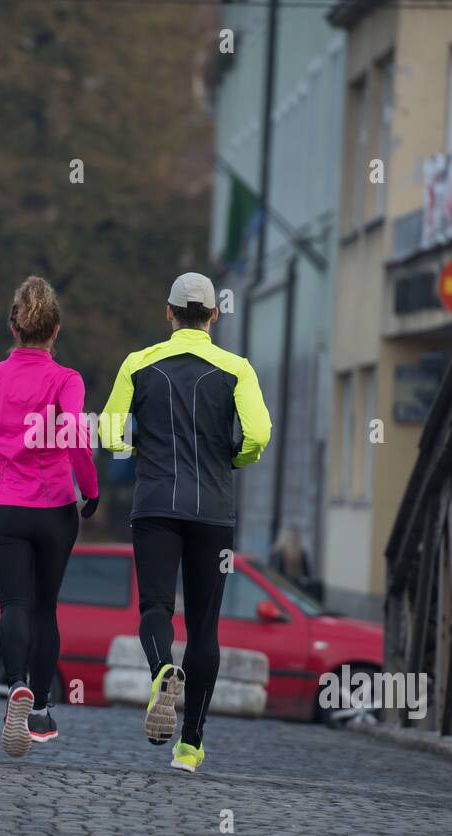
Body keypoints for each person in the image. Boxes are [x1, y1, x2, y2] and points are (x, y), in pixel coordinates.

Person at [98, 272, 270, 773]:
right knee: (205, 627)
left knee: (155, 605)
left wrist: (132, 451)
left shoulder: (138, 363)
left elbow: (109, 430)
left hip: (155, 503)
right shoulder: (237, 368)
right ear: (215, 315)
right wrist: (237, 459)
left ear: (169, 313)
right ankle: (190, 745)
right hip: (213, 511)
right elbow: (259, 432)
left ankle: (160, 674)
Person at [0, 276, 100, 758]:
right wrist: (91, 488)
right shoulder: (67, 380)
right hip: (56, 509)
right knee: (45, 608)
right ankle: (40, 707)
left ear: (12, 327)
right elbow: (77, 438)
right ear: (55, 330)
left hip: (5, 508)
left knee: (13, 606)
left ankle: (15, 683)